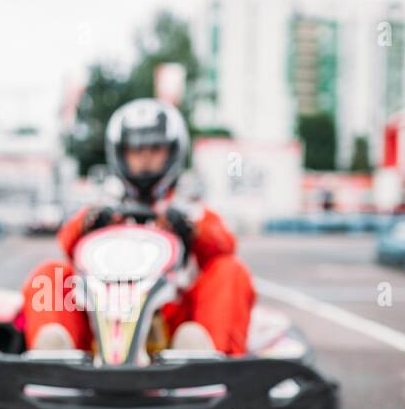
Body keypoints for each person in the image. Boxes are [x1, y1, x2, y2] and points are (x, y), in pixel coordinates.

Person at [22, 98, 255, 355]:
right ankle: (54, 355)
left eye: (155, 149)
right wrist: (91, 224)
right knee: (50, 273)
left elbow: (223, 245)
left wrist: (188, 229)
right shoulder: (104, 204)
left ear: (173, 152)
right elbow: (66, 242)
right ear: (120, 154)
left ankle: (209, 356)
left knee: (230, 270)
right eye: (136, 150)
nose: (145, 158)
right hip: (100, 314)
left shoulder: (189, 207)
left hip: (172, 318)